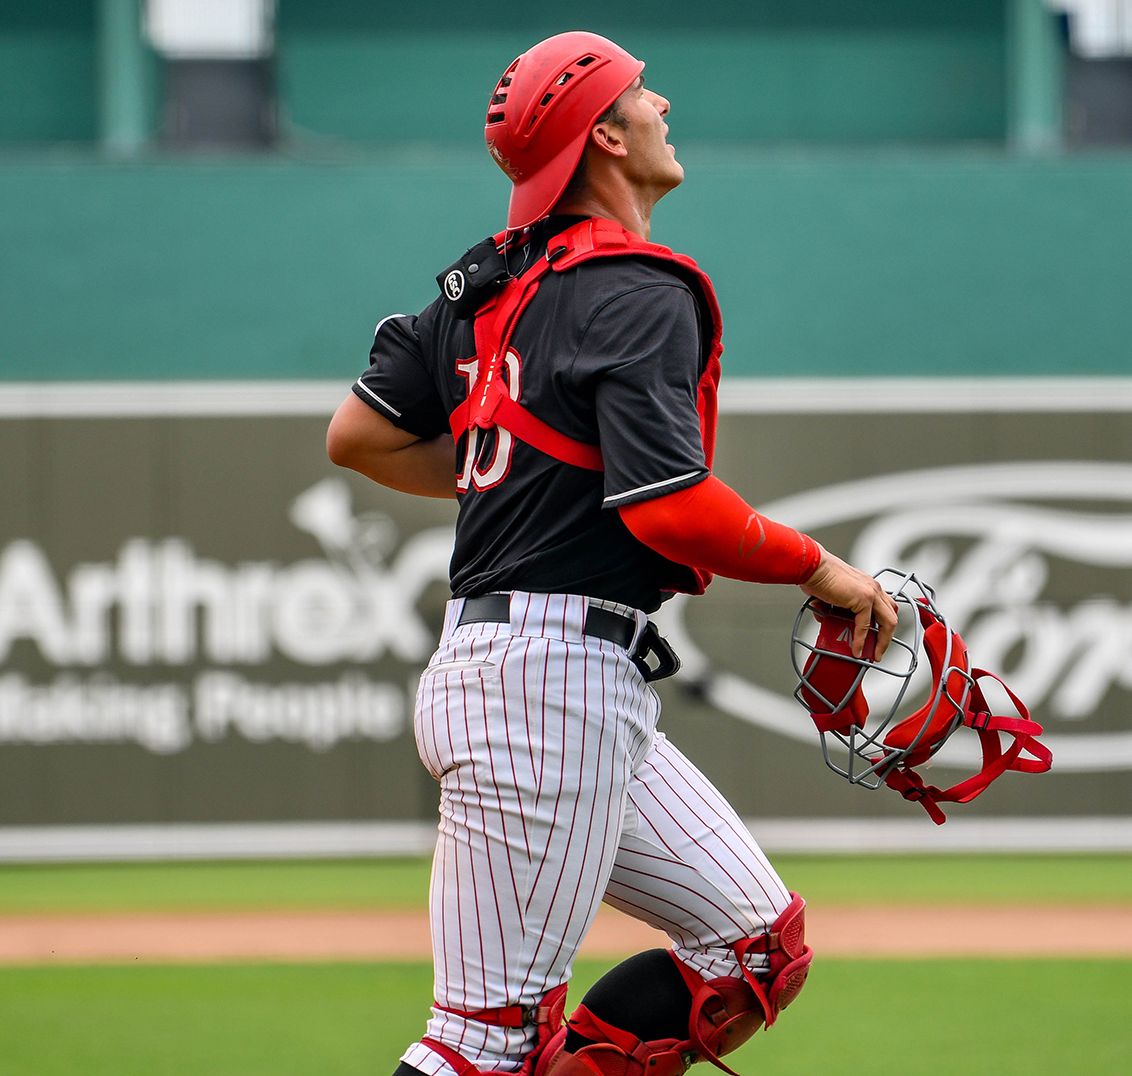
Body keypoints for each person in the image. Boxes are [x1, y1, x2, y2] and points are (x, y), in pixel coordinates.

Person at [326, 31, 895, 1076]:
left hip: (562, 678)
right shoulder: (637, 287)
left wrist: (522, 470)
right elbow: (671, 507)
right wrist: (821, 567)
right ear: (605, 137)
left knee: (753, 947)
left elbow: (356, 436)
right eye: (641, 93)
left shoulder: (482, 283)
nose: (662, 101)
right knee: (481, 1046)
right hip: (544, 687)